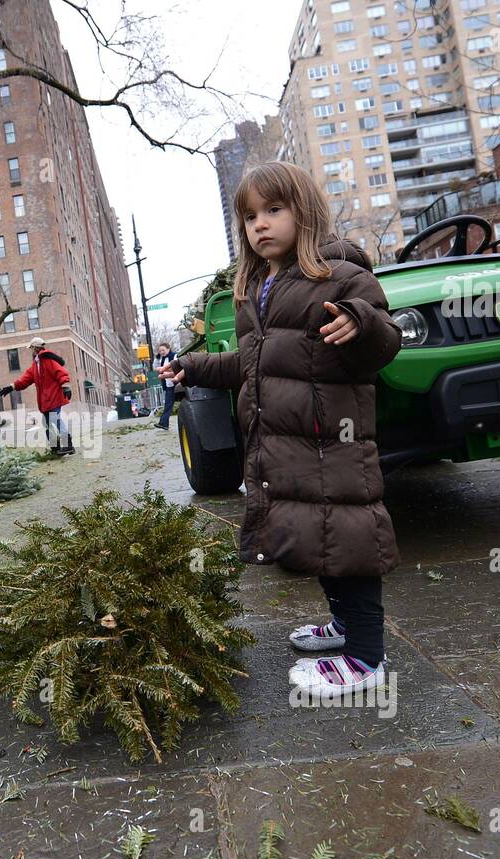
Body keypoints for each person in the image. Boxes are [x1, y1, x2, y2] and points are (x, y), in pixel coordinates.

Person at [159, 160, 402, 700]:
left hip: (332, 443)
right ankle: (343, 627)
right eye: (249, 217)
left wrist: (360, 322)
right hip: (283, 447)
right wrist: (194, 367)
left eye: (274, 210)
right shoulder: (257, 291)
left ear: (304, 212)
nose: (260, 225)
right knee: (319, 541)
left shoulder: (340, 277)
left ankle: (366, 658)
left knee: (350, 540)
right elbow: (251, 366)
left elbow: (386, 340)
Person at [0, 336, 74, 455]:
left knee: (56, 420)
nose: (31, 351)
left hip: (53, 397)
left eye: (31, 349)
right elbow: (25, 379)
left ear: (35, 348)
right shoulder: (36, 364)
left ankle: (68, 446)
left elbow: (61, 373)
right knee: (48, 423)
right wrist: (11, 387)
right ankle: (55, 447)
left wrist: (66, 387)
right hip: (45, 401)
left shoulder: (48, 361)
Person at [152, 342, 178, 430]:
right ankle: (163, 423)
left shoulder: (174, 356)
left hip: (177, 383)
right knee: (168, 404)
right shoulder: (161, 359)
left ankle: (164, 423)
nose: (161, 352)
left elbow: (177, 367)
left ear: (168, 348)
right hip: (168, 385)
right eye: (160, 351)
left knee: (170, 404)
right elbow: (155, 367)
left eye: (163, 350)